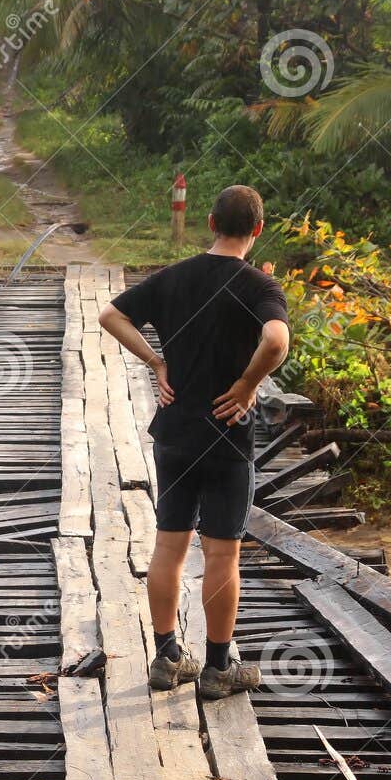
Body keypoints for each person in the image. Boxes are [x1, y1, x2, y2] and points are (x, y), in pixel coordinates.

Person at [97, 184, 291, 700]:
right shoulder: (259, 287)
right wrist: (248, 385)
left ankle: (165, 657)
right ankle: (219, 667)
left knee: (169, 542)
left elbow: (109, 315)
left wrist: (156, 362)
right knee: (223, 553)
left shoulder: (172, 278)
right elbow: (275, 341)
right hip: (227, 435)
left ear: (209, 222)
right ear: (258, 230)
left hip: (175, 430)